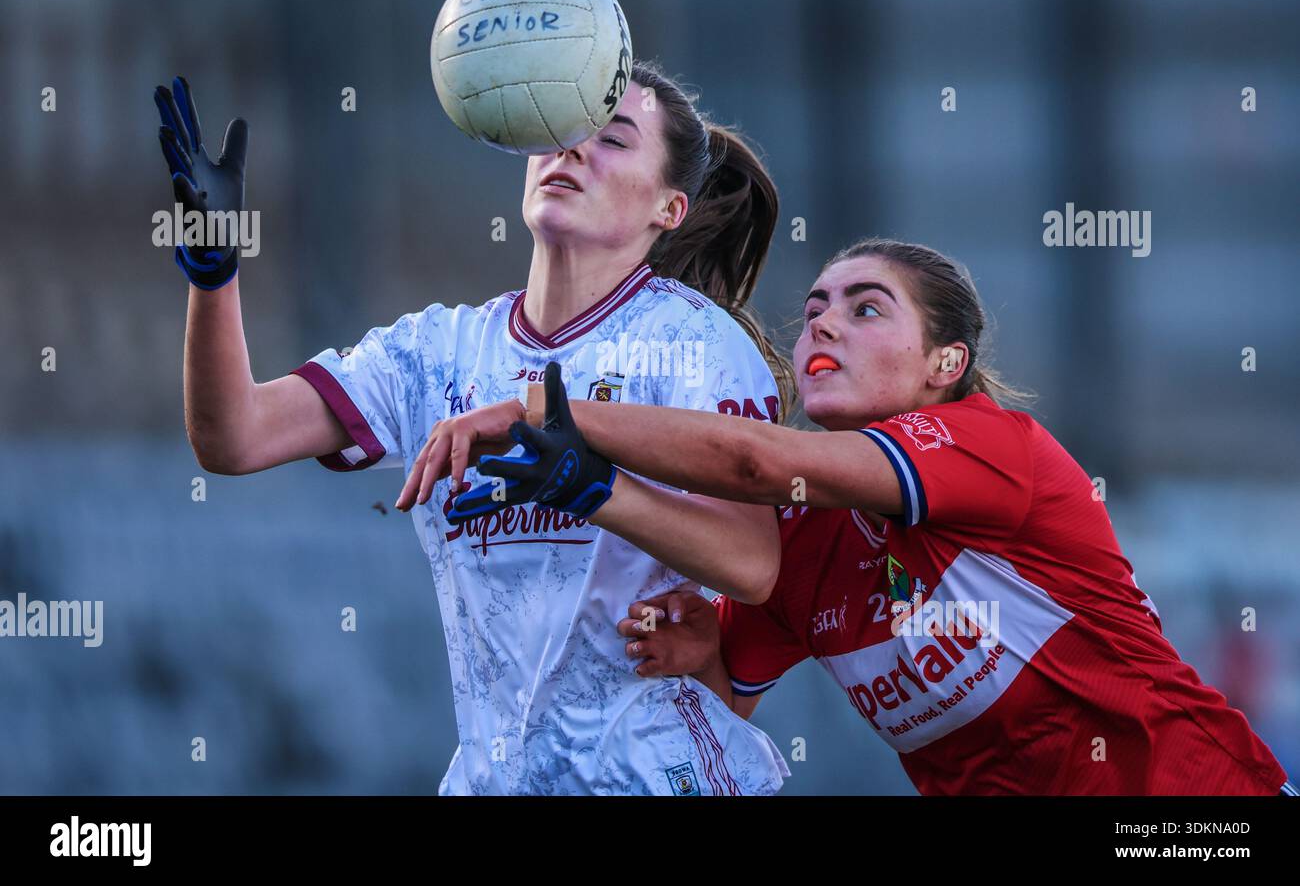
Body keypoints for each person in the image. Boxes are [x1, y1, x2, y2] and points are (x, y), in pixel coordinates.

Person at [413, 237, 1294, 795]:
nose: (826, 324)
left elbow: (759, 459)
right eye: (815, 310)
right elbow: (724, 695)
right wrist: (688, 640)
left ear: (944, 362)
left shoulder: (997, 447)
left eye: (867, 308)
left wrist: (547, 410)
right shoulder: (798, 540)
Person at [153, 63, 793, 795]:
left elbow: (752, 563)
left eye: (613, 137)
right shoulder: (436, 350)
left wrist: (592, 486)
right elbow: (233, 436)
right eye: (558, 126)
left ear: (669, 208)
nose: (572, 148)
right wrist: (214, 274)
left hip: (657, 776)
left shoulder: (697, 344)